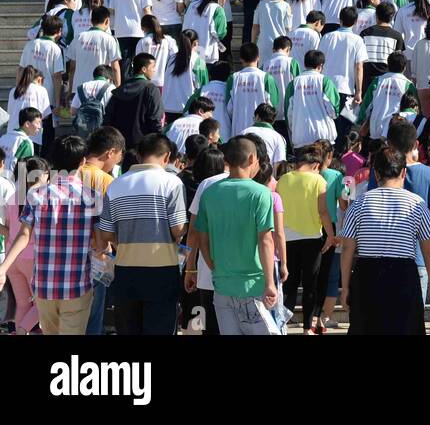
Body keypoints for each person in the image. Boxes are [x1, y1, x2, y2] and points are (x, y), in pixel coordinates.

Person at [338, 143, 430, 335]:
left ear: (376, 174)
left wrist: (345, 287)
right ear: (403, 173)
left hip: (367, 275)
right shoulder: (417, 204)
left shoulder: (360, 203)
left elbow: (347, 249)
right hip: (403, 276)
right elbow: (429, 250)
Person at [0, 136, 99, 335]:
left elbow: (23, 235)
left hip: (44, 286)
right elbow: (100, 241)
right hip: (76, 285)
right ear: (82, 162)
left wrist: (3, 269)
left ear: (52, 162)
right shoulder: (91, 196)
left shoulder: (36, 195)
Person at [93, 133, 188, 335]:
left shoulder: (116, 184)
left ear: (138, 156)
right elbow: (178, 229)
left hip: (126, 270)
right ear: (167, 156)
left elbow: (106, 233)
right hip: (162, 269)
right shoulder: (172, 183)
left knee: (128, 329)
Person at [191, 136, 280, 335]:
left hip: (222, 284)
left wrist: (216, 267)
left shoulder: (209, 193)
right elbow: (265, 240)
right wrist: (270, 283)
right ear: (251, 159)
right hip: (253, 285)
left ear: (226, 161)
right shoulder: (260, 193)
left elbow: (202, 239)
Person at [277, 144, 335, 336]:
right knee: (310, 284)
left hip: (287, 237)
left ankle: (281, 324)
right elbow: (323, 211)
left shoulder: (283, 180)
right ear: (316, 165)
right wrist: (331, 236)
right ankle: (307, 328)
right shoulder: (318, 180)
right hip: (312, 237)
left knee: (289, 283)